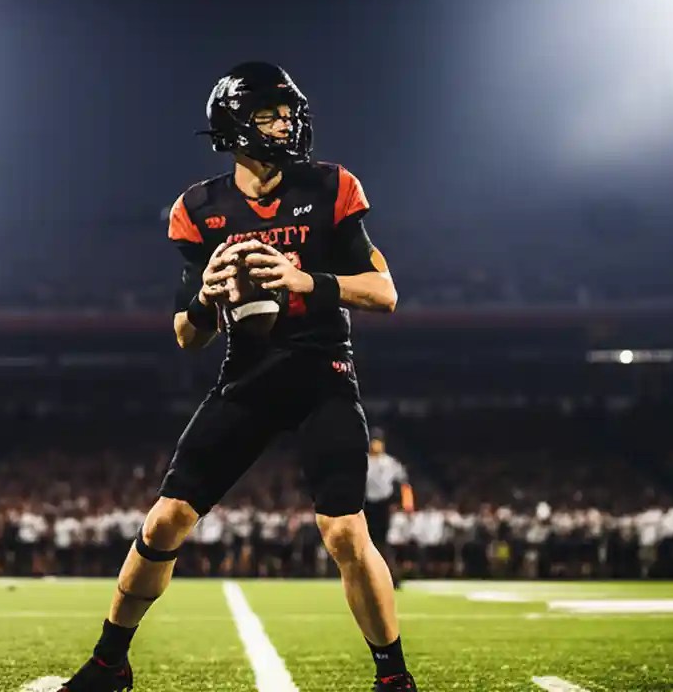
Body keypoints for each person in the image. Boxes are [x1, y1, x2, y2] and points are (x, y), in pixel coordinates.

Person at [60, 62, 417, 691]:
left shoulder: (332, 186)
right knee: (164, 520)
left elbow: (385, 292)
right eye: (271, 114)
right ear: (234, 122)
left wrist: (311, 280)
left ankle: (393, 678)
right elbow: (185, 335)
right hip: (247, 376)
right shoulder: (200, 208)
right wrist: (205, 298)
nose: (287, 123)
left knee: (343, 529)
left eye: (288, 112)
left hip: (320, 370)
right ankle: (110, 661)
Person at [364, 427, 410, 587]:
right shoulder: (363, 461)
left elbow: (404, 483)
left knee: (383, 543)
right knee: (367, 542)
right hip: (367, 505)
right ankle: (368, 577)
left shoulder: (390, 463)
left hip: (384, 505)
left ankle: (392, 576)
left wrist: (406, 505)